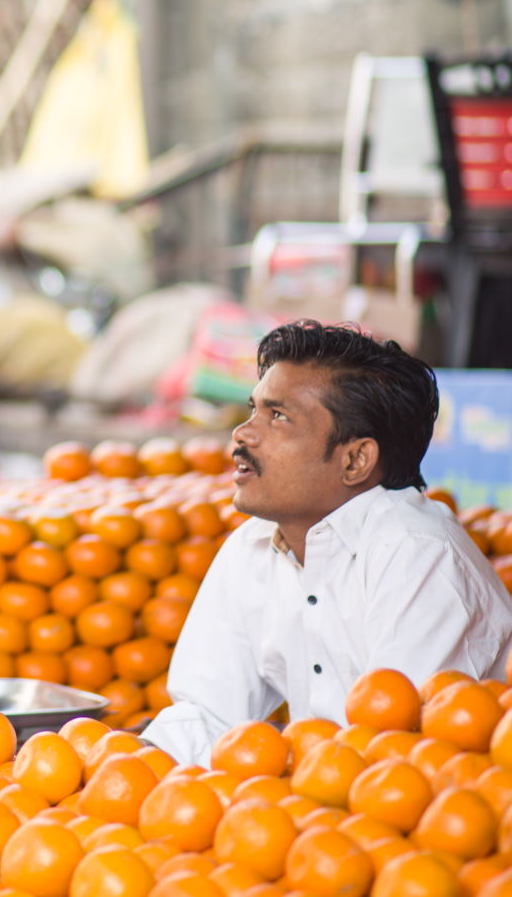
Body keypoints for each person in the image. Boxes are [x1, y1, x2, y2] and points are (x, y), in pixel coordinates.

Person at [142, 320, 512, 766]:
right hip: (324, 808)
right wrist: (122, 766)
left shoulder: (418, 556)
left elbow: (398, 754)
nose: (242, 434)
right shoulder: (253, 545)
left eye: (277, 416)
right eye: (253, 410)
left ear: (355, 459)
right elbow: (208, 716)